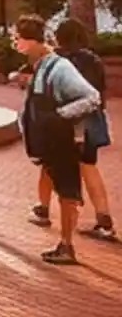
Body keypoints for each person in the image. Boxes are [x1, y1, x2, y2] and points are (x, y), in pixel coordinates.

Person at [14, 14, 102, 265]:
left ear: (30, 41)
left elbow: (92, 97)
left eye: (17, 40)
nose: (16, 45)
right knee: (63, 189)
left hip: (62, 142)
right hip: (51, 142)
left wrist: (59, 117)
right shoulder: (41, 66)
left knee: (66, 192)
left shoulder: (59, 67)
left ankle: (67, 245)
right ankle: (65, 243)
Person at [34, 18, 114, 241]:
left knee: (50, 165)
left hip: (64, 123)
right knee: (89, 166)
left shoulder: (57, 61)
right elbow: (99, 92)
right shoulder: (93, 60)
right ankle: (104, 219)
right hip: (91, 121)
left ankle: (42, 209)